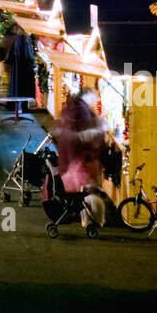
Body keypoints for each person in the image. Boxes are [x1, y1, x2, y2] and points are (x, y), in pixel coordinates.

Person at [53, 89, 107, 217]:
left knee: (84, 189)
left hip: (69, 159)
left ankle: (86, 215)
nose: (96, 99)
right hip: (78, 160)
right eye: (94, 95)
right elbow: (82, 137)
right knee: (86, 189)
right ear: (87, 95)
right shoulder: (81, 111)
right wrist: (100, 129)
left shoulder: (71, 108)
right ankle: (89, 218)